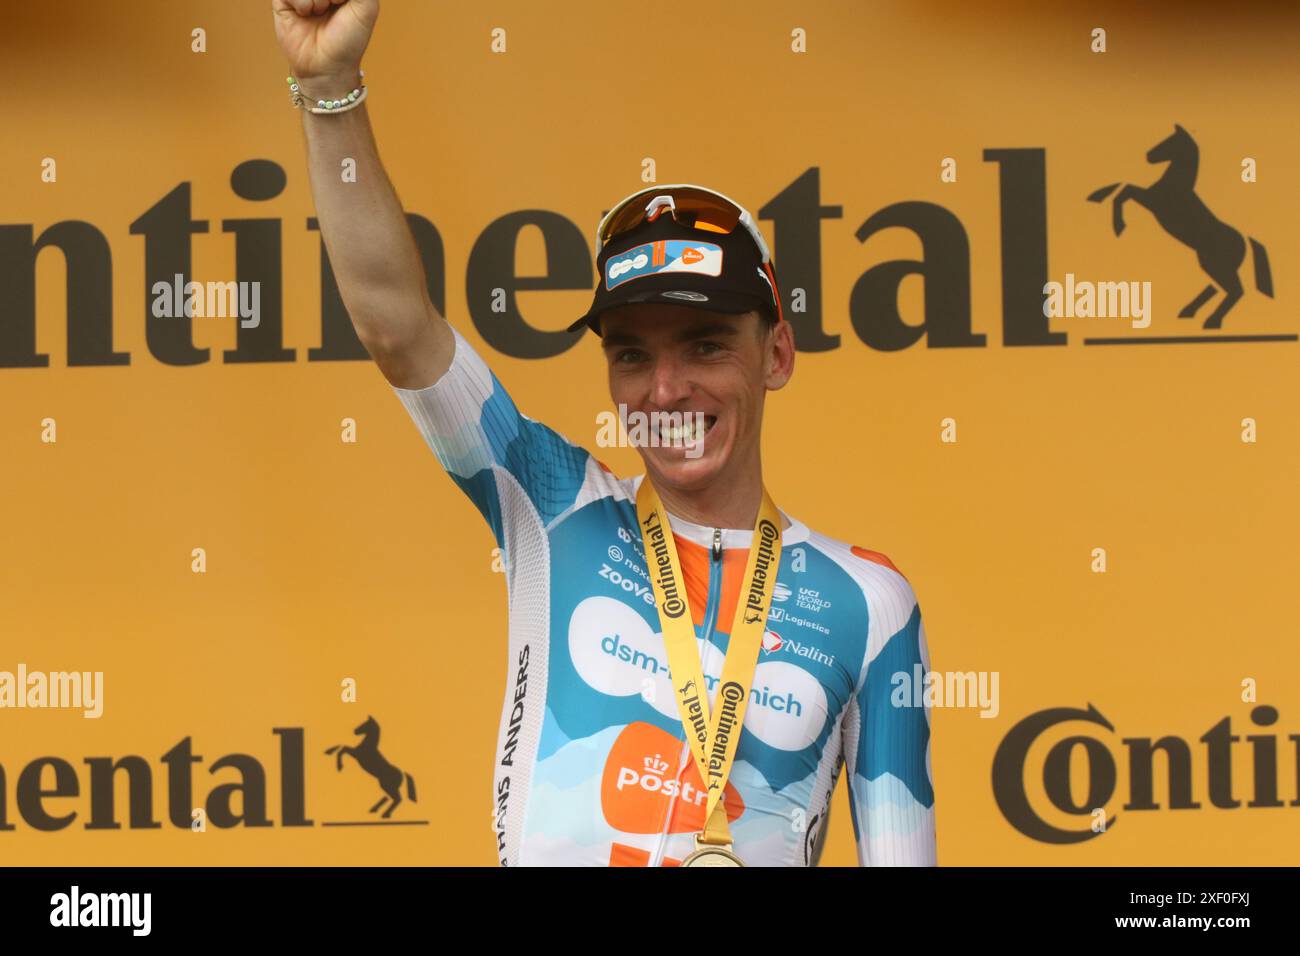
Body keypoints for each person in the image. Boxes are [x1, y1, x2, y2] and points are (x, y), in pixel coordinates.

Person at [273, 0, 936, 866]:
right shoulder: (554, 503)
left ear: (776, 353)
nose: (665, 389)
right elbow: (399, 328)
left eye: (703, 345)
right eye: (631, 354)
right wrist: (329, 84)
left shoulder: (870, 604)